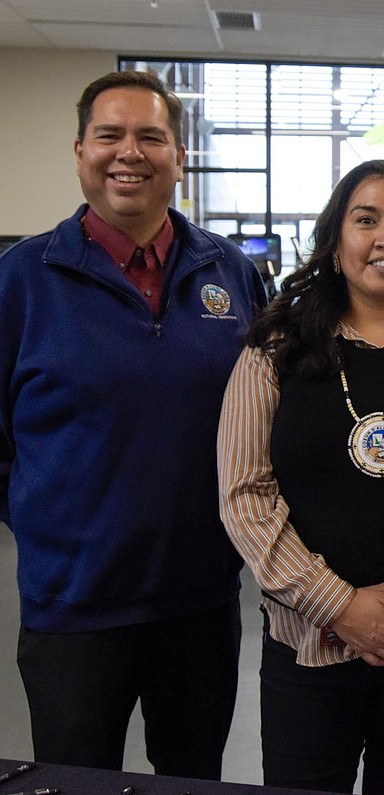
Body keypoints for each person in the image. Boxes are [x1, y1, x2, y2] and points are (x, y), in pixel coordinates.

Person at [0, 70, 266, 778]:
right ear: (80, 150)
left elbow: (268, 421)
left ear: (180, 156)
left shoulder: (233, 274)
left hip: (202, 601)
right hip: (74, 608)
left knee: (192, 775)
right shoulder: (22, 279)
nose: (130, 152)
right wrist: (47, 519)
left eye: (151, 136)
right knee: (76, 778)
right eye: (110, 135)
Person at [218, 160, 384, 793]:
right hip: (308, 646)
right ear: (336, 242)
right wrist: (338, 606)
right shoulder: (273, 349)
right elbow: (244, 493)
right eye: (365, 220)